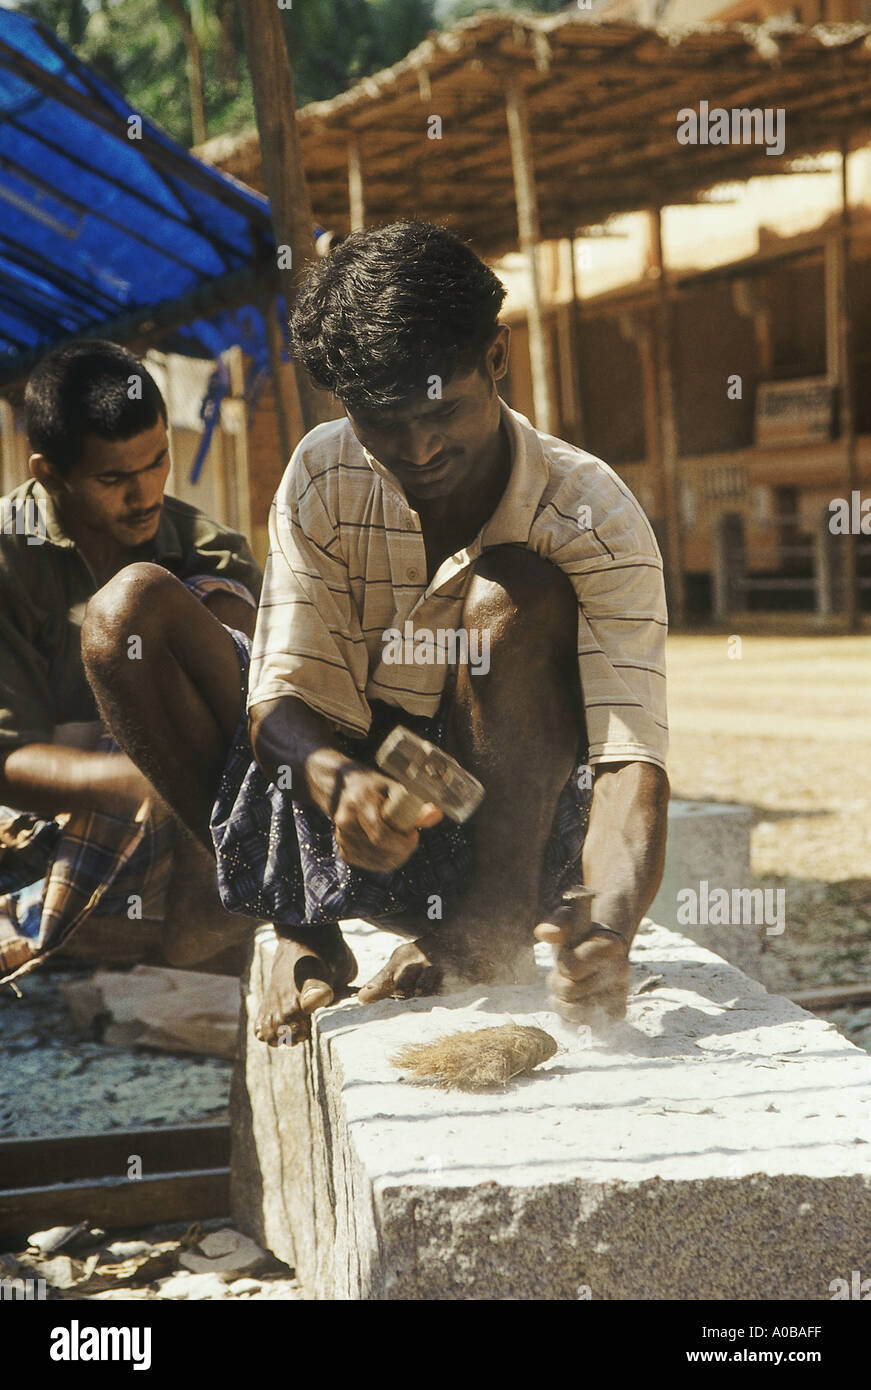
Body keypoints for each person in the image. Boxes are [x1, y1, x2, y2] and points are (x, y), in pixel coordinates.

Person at [80, 222, 669, 1046]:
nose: (420, 448)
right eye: (383, 422)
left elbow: (628, 756)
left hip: (501, 826)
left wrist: (607, 919)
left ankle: (479, 934)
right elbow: (279, 695)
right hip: (344, 816)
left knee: (515, 591)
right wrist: (333, 781)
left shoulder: (591, 513)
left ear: (496, 358)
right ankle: (299, 917)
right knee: (125, 616)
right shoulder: (325, 471)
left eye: (444, 411)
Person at [0, 340, 260, 982]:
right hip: (44, 826)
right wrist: (154, 778)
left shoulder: (208, 550)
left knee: (211, 606)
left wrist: (187, 774)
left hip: (185, 814)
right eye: (114, 479)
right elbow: (8, 763)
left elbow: (261, 701)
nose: (144, 494)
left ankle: (223, 896)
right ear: (49, 472)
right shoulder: (8, 560)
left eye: (158, 462)